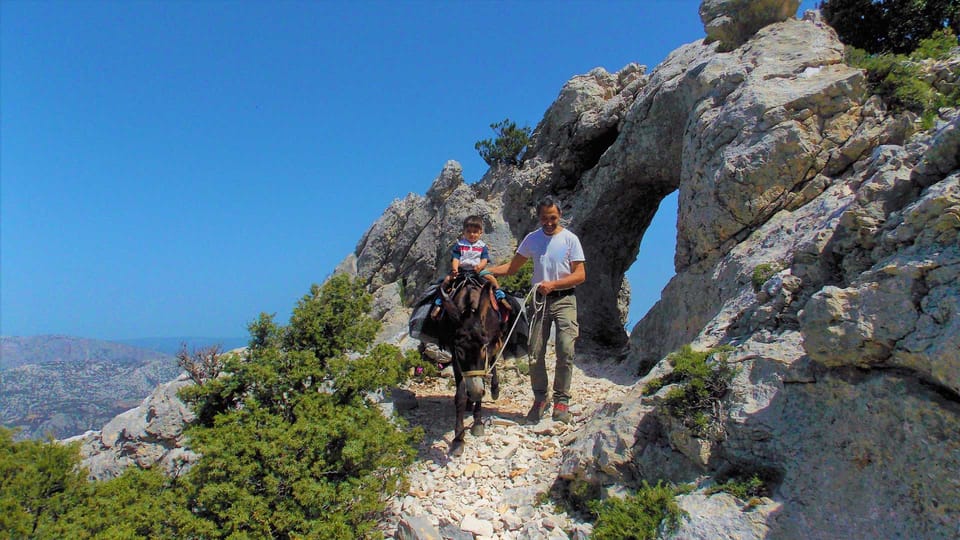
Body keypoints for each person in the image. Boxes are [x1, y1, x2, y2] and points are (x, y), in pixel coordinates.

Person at [490, 196, 585, 423]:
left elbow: (580, 275)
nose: (549, 222)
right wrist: (488, 271)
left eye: (552, 218)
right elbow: (513, 268)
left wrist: (554, 284)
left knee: (565, 349)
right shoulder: (532, 239)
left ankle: (562, 400)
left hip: (564, 300)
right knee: (535, 352)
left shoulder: (570, 239)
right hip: (539, 302)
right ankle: (540, 398)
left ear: (559, 215)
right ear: (539, 218)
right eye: (544, 218)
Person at [431, 215, 509, 319]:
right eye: (469, 231)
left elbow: (484, 259)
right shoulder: (460, 245)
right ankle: (439, 302)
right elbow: (456, 258)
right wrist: (455, 268)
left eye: (475, 232)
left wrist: (480, 266)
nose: (472, 234)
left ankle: (499, 295)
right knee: (446, 280)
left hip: (476, 271)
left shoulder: (482, 246)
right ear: (464, 232)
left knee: (491, 278)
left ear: (480, 232)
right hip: (461, 270)